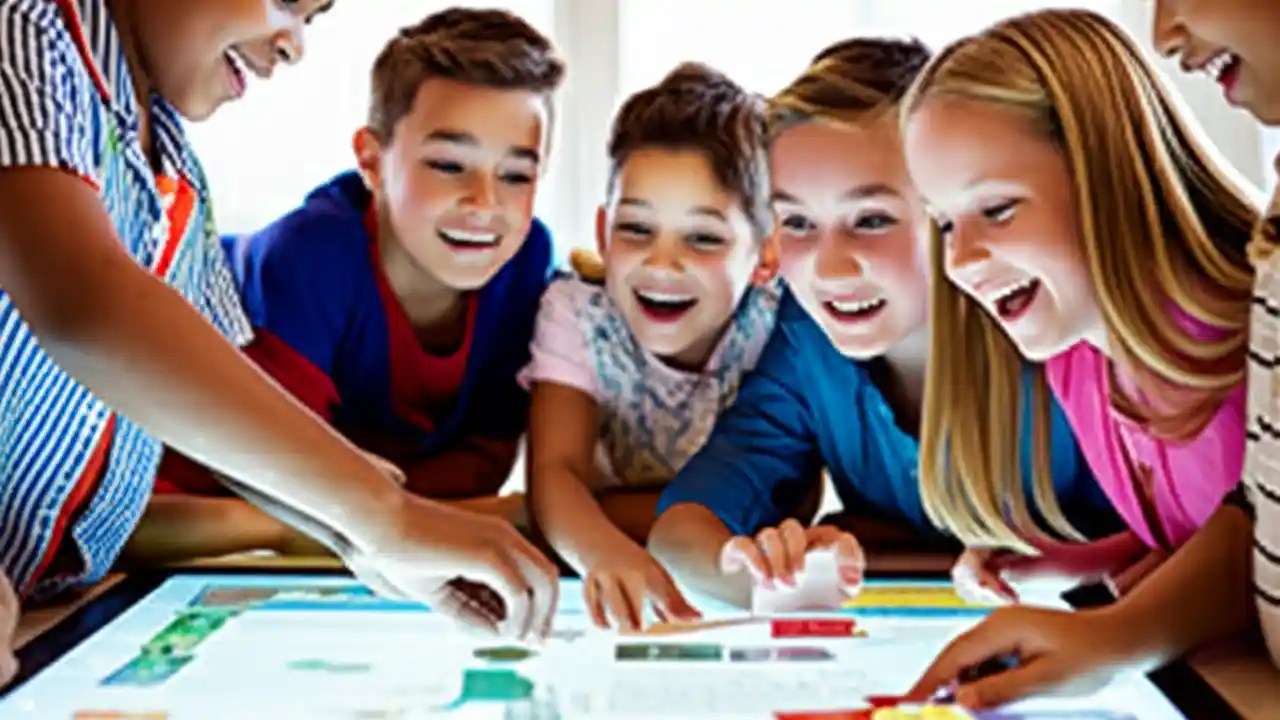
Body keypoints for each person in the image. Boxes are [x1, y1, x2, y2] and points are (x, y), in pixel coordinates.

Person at [0, 0, 557, 686]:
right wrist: (387, 513)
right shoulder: (23, 32)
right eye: (288, 3)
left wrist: (362, 543)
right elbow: (87, 306)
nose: (292, 47)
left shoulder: (174, 167)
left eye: (311, 19)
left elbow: (220, 425)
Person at [648, 37, 1121, 611]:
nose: (829, 266)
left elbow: (1171, 539)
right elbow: (682, 529)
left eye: (871, 219)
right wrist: (779, 580)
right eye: (796, 221)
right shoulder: (804, 343)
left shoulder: (1053, 330)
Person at [906, 5, 1273, 709]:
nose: (959, 259)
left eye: (1000, 209)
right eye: (946, 221)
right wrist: (1079, 561)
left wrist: (1116, 633)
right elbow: (1194, 532)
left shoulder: (1243, 336)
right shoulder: (1078, 360)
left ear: (1108, 175)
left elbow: (1252, 546)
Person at [148, 7, 564, 561]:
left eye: (516, 175)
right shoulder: (312, 254)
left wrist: (410, 513)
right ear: (371, 161)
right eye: (447, 165)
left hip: (351, 515)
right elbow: (295, 490)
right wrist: (423, 514)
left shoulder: (527, 264)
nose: (485, 203)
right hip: (175, 485)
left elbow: (475, 470)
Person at [522, 62, 780, 631]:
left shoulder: (776, 322)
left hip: (706, 551)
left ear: (767, 254)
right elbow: (556, 477)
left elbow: (786, 501)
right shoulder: (575, 310)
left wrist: (609, 516)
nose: (662, 263)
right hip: (585, 537)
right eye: (636, 229)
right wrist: (604, 550)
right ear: (601, 231)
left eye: (704, 238)